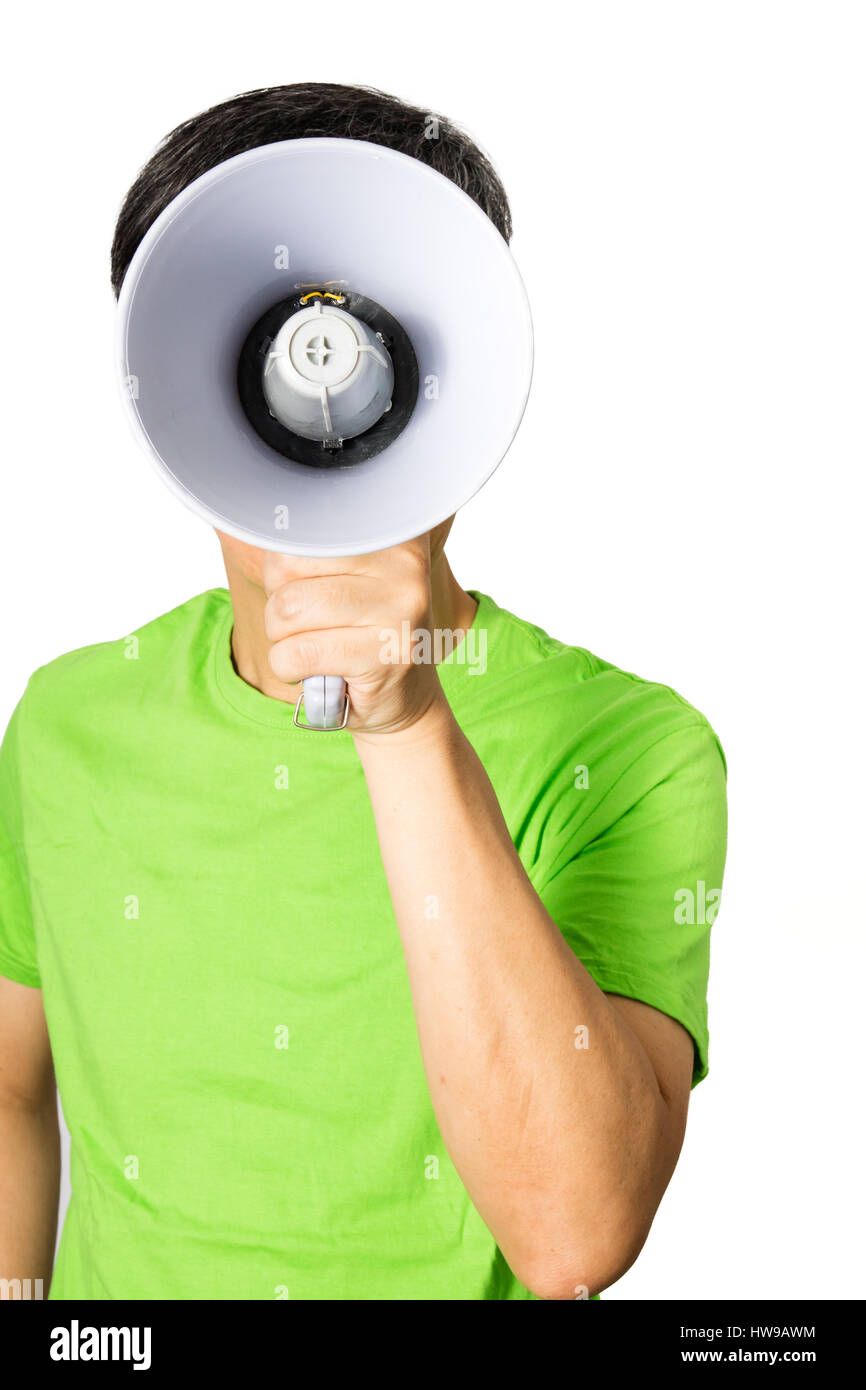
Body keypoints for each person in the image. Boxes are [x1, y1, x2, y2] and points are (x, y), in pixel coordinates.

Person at [0, 83, 727, 1302]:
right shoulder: (67, 720)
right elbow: (12, 1081)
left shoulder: (634, 746)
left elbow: (574, 1239)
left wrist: (406, 721)